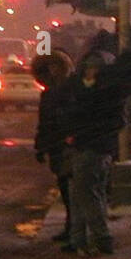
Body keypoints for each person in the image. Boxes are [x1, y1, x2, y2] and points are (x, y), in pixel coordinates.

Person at [61, 46, 131, 256]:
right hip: (99, 146)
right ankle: (79, 238)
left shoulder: (104, 84)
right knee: (87, 193)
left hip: (89, 145)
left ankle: (100, 238)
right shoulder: (118, 85)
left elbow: (83, 109)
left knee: (86, 194)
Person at [32, 53, 75, 242]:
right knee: (67, 188)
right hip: (62, 146)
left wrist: (41, 147)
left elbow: (46, 123)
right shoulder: (69, 90)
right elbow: (45, 124)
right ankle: (73, 227)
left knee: (69, 189)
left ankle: (73, 228)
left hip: (64, 146)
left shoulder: (57, 94)